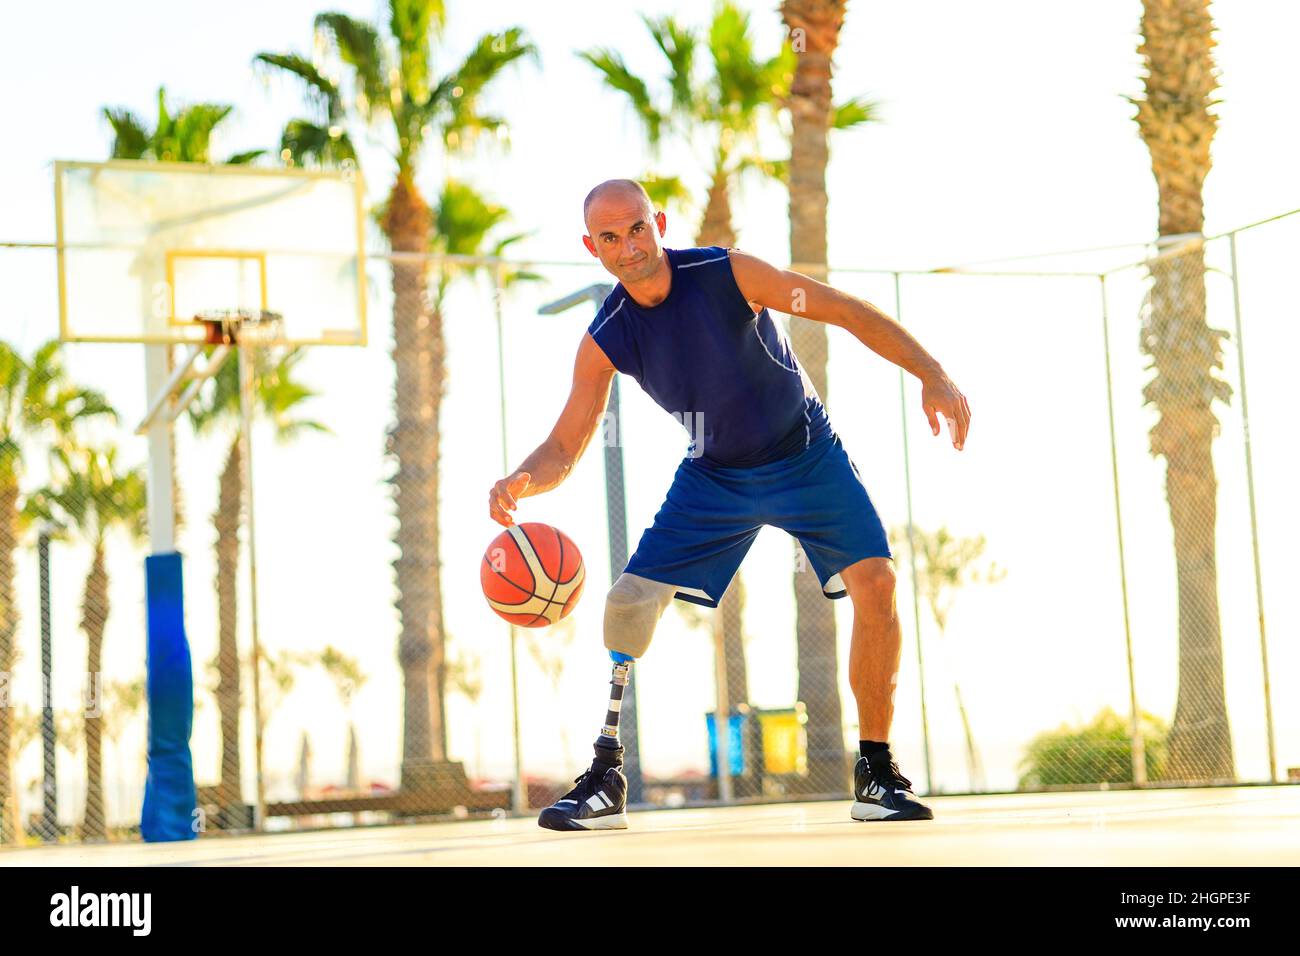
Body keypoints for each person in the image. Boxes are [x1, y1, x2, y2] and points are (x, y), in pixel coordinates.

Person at [487, 179, 970, 830]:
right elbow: (564, 446)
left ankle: (876, 774)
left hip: (805, 453)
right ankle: (605, 779)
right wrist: (520, 480)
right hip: (714, 473)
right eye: (610, 237)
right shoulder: (607, 336)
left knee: (877, 583)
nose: (629, 246)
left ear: (658, 222)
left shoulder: (727, 273)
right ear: (591, 246)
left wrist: (932, 373)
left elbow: (843, 310)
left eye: (637, 228)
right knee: (627, 604)